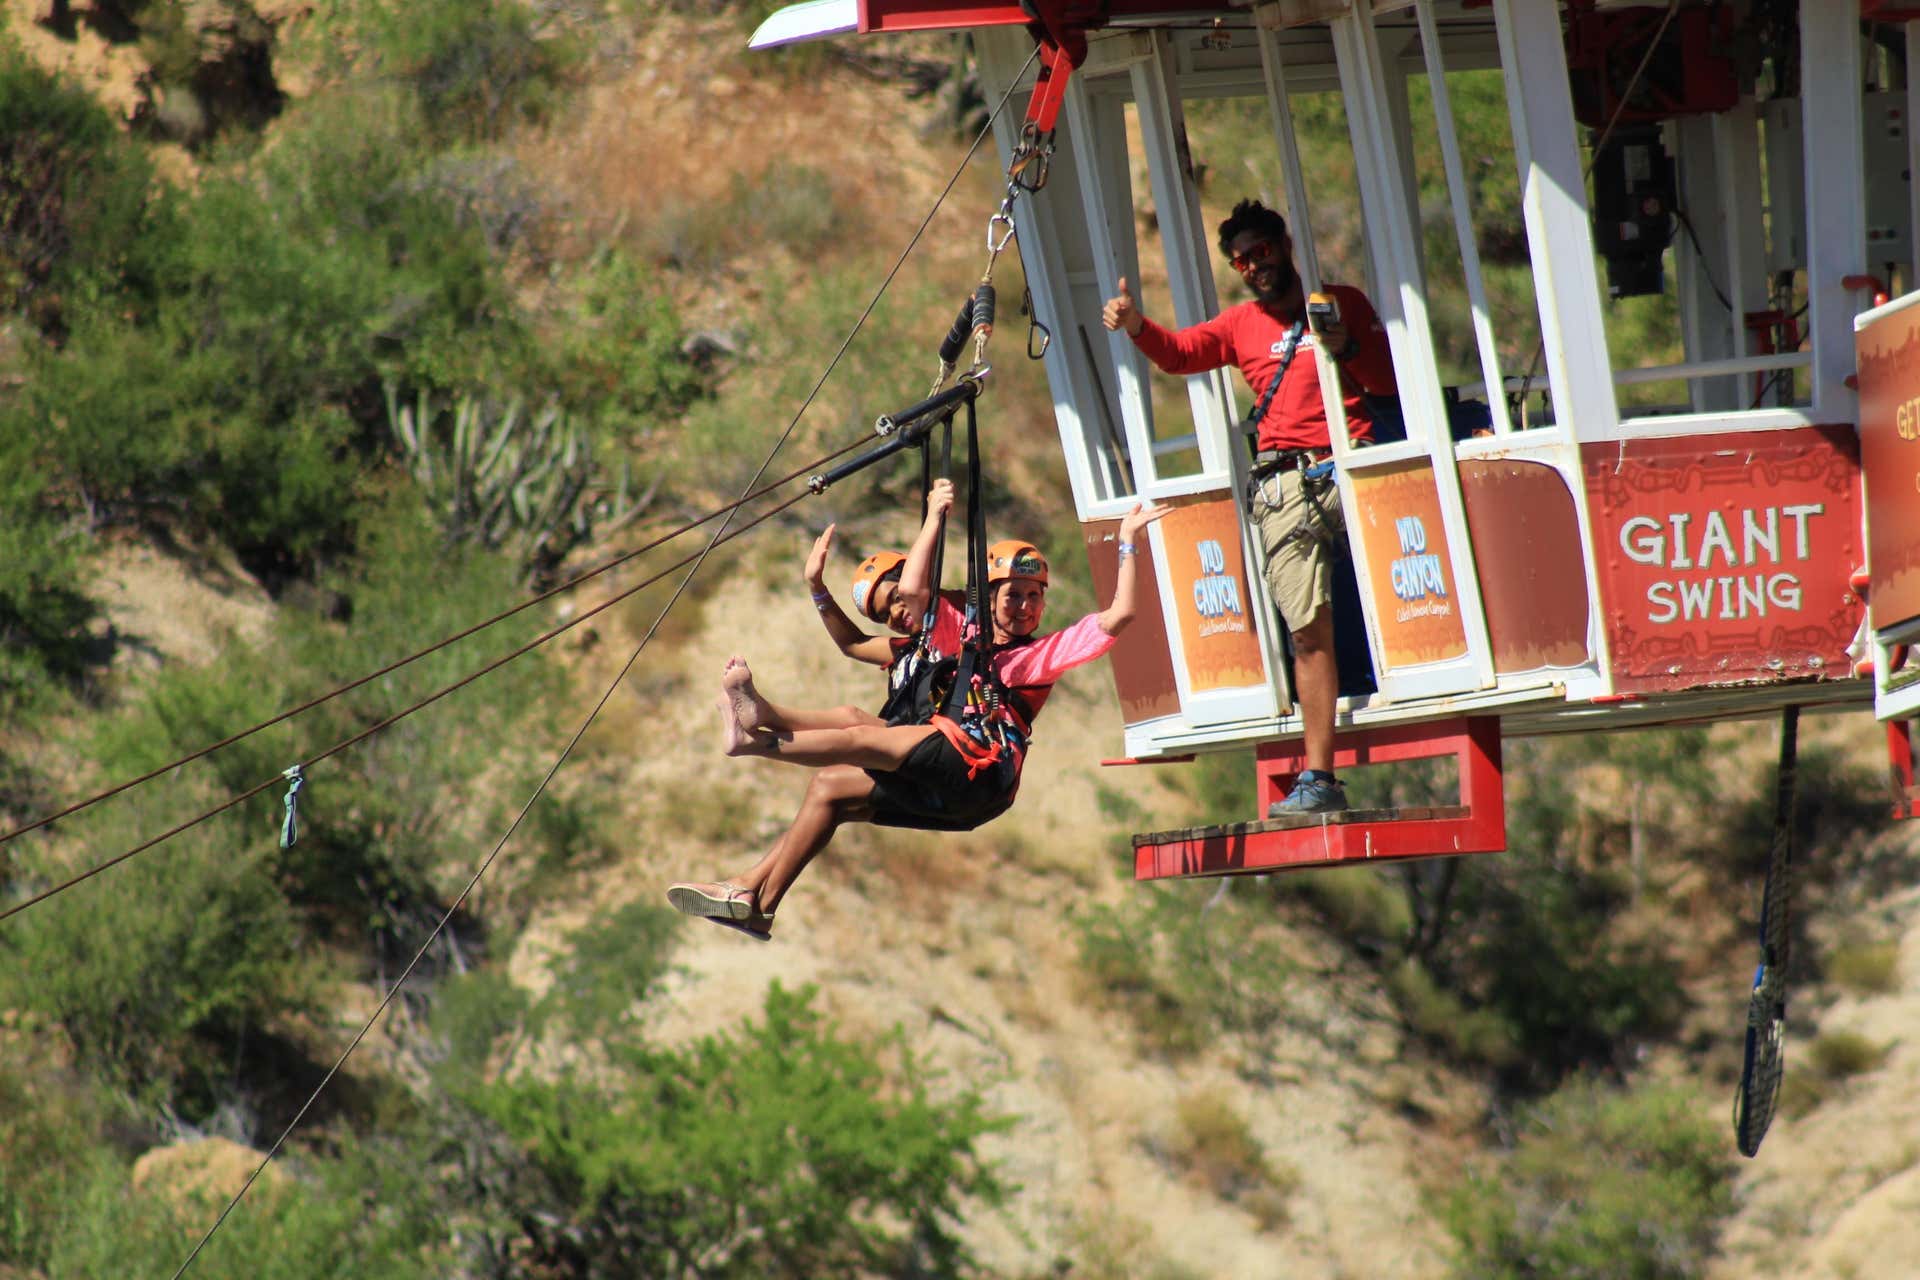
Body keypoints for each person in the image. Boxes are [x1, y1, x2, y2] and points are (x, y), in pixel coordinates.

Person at [666, 495, 1170, 940]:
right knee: (829, 790)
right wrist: (923, 523)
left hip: (979, 769)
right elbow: (898, 606)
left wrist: (1128, 543)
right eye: (1011, 595)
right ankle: (756, 902)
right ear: (987, 601)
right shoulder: (953, 638)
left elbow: (1119, 615)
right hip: (950, 786)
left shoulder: (1039, 655)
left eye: (1033, 596)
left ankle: (752, 739)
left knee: (862, 731)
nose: (1023, 606)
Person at [1100, 198, 1394, 814]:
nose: (1254, 267)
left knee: (1395, 593)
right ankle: (1320, 779)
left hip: (1355, 467)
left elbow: (1389, 381)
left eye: (1261, 252)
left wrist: (1342, 345)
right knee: (1307, 631)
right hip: (1287, 483)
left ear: (1285, 245)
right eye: (1241, 262)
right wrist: (1134, 325)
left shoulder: (1338, 303)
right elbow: (1181, 353)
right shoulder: (1240, 325)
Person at [761, 479, 964, 736]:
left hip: (950, 741)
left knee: (852, 718)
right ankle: (761, 728)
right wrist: (816, 588)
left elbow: (917, 584)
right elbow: (853, 644)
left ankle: (764, 716)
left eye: (895, 598)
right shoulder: (908, 650)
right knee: (827, 776)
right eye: (883, 617)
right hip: (916, 743)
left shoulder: (955, 608)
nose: (895, 616)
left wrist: (935, 516)